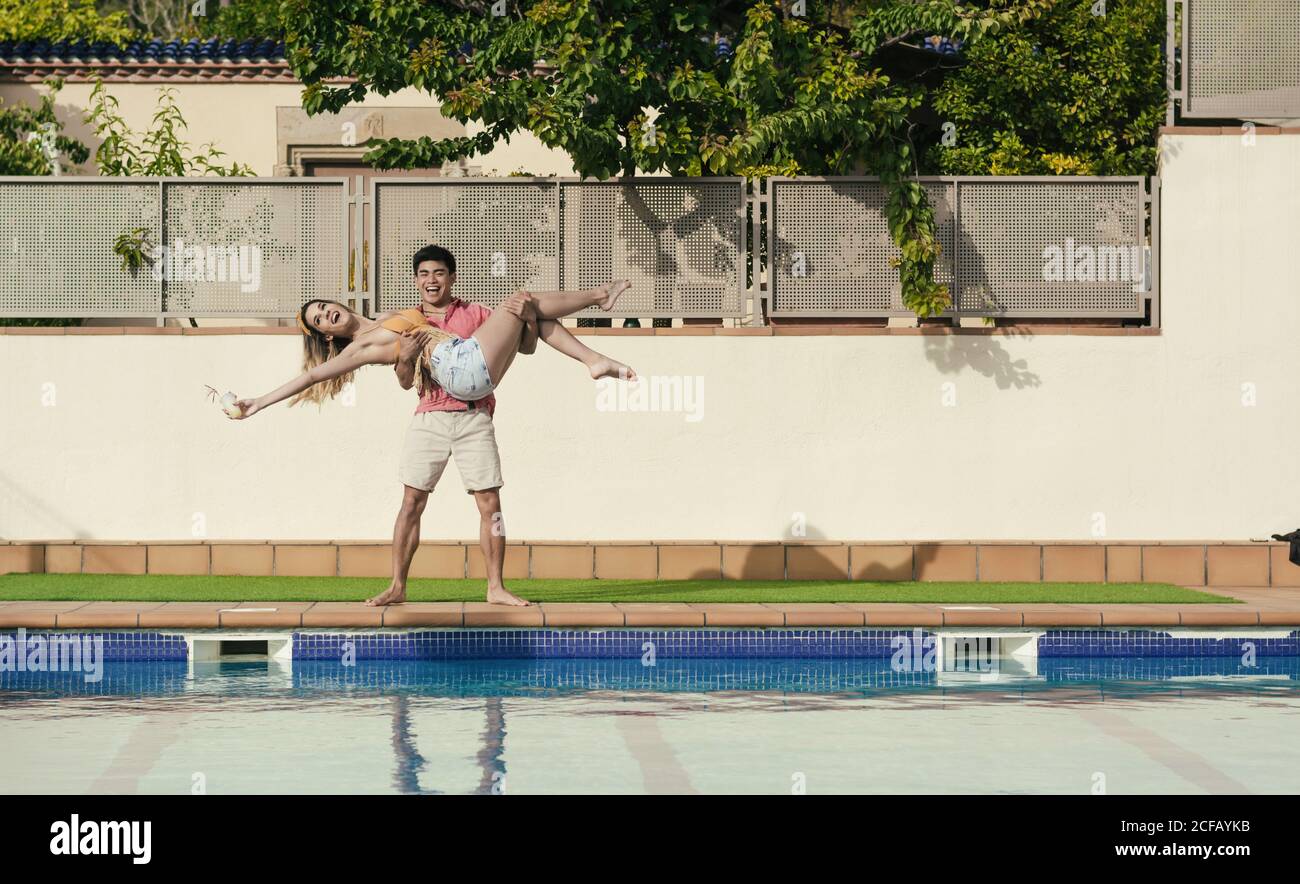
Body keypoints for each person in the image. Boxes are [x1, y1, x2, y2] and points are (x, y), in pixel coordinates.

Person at [230, 244, 636, 606]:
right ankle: (397, 585)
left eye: (325, 307)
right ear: (326, 334)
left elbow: (525, 345)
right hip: (438, 405)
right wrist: (260, 402)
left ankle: (495, 586)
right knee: (411, 502)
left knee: (526, 307)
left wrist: (526, 322)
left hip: (474, 397)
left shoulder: (414, 315)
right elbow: (321, 378)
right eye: (320, 320)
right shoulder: (358, 349)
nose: (327, 315)